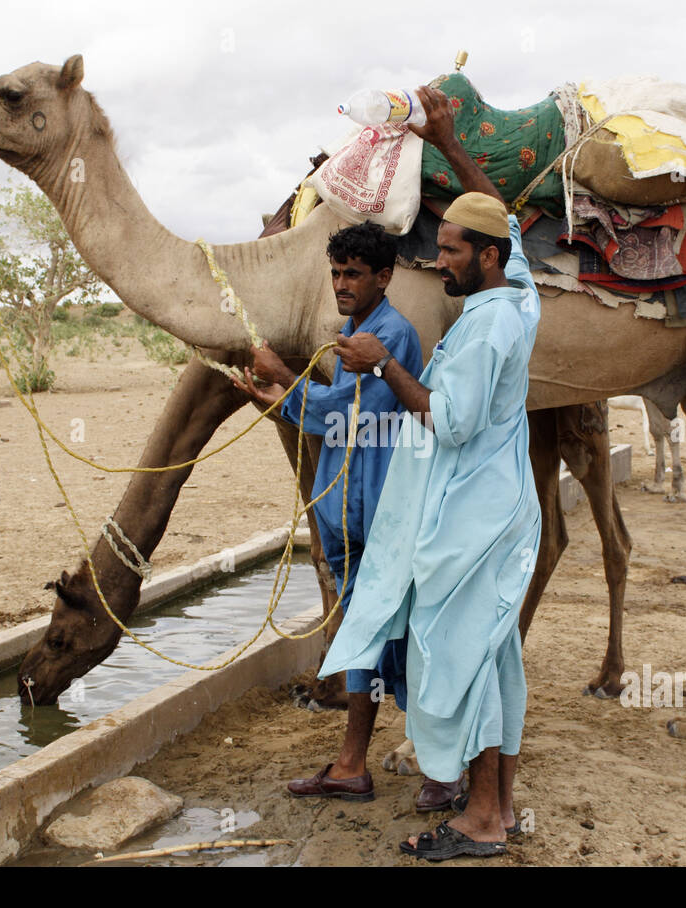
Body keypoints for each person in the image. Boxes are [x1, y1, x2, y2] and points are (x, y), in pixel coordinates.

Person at [319, 85, 543, 860]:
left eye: (450, 251)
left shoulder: (485, 331)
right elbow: (503, 216)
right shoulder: (519, 297)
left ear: (484, 260)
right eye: (437, 246)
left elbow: (447, 422)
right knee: (494, 660)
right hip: (497, 509)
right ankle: (500, 808)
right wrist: (448, 142)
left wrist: (382, 364)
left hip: (474, 520)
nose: (437, 260)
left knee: (464, 662)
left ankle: (479, 818)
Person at [230, 221, 428, 804]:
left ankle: (407, 762)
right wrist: (283, 396)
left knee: (391, 639)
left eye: (353, 274)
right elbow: (333, 420)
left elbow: (346, 410)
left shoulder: (389, 338)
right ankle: (356, 763)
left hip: (378, 516)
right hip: (349, 515)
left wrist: (285, 379)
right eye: (336, 273)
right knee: (365, 639)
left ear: (384, 277)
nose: (341, 283)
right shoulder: (351, 333)